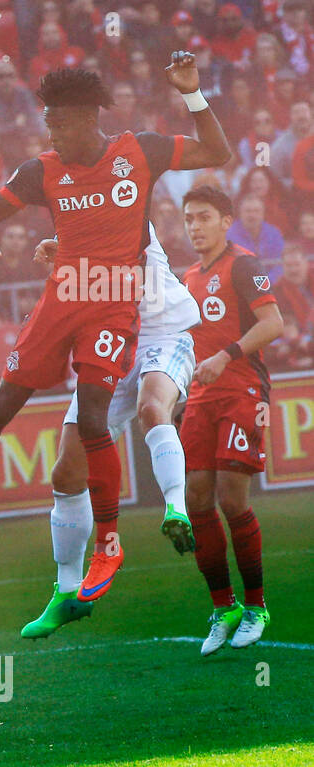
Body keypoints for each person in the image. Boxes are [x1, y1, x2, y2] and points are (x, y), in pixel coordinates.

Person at [0, 55, 231, 604]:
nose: (51, 131)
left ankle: (109, 545)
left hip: (115, 301)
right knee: (2, 403)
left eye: (60, 122)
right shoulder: (41, 170)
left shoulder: (139, 150)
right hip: (64, 294)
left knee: (94, 417)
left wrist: (193, 95)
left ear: (88, 118)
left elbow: (218, 153)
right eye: (47, 122)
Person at [21, 221, 202, 639]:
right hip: (116, 341)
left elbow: (121, 264)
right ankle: (65, 593)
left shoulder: (127, 197)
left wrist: (69, 256)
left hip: (165, 333)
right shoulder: (75, 207)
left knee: (152, 408)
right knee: (67, 473)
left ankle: (176, 507)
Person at [178, 186, 283, 655]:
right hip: (201, 397)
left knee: (231, 497)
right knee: (196, 499)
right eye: (188, 219)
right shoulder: (186, 278)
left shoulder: (243, 263)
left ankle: (257, 606)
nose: (195, 227)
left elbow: (273, 323)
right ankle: (224, 608)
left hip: (242, 389)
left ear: (225, 221)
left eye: (203, 217)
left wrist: (226, 354)